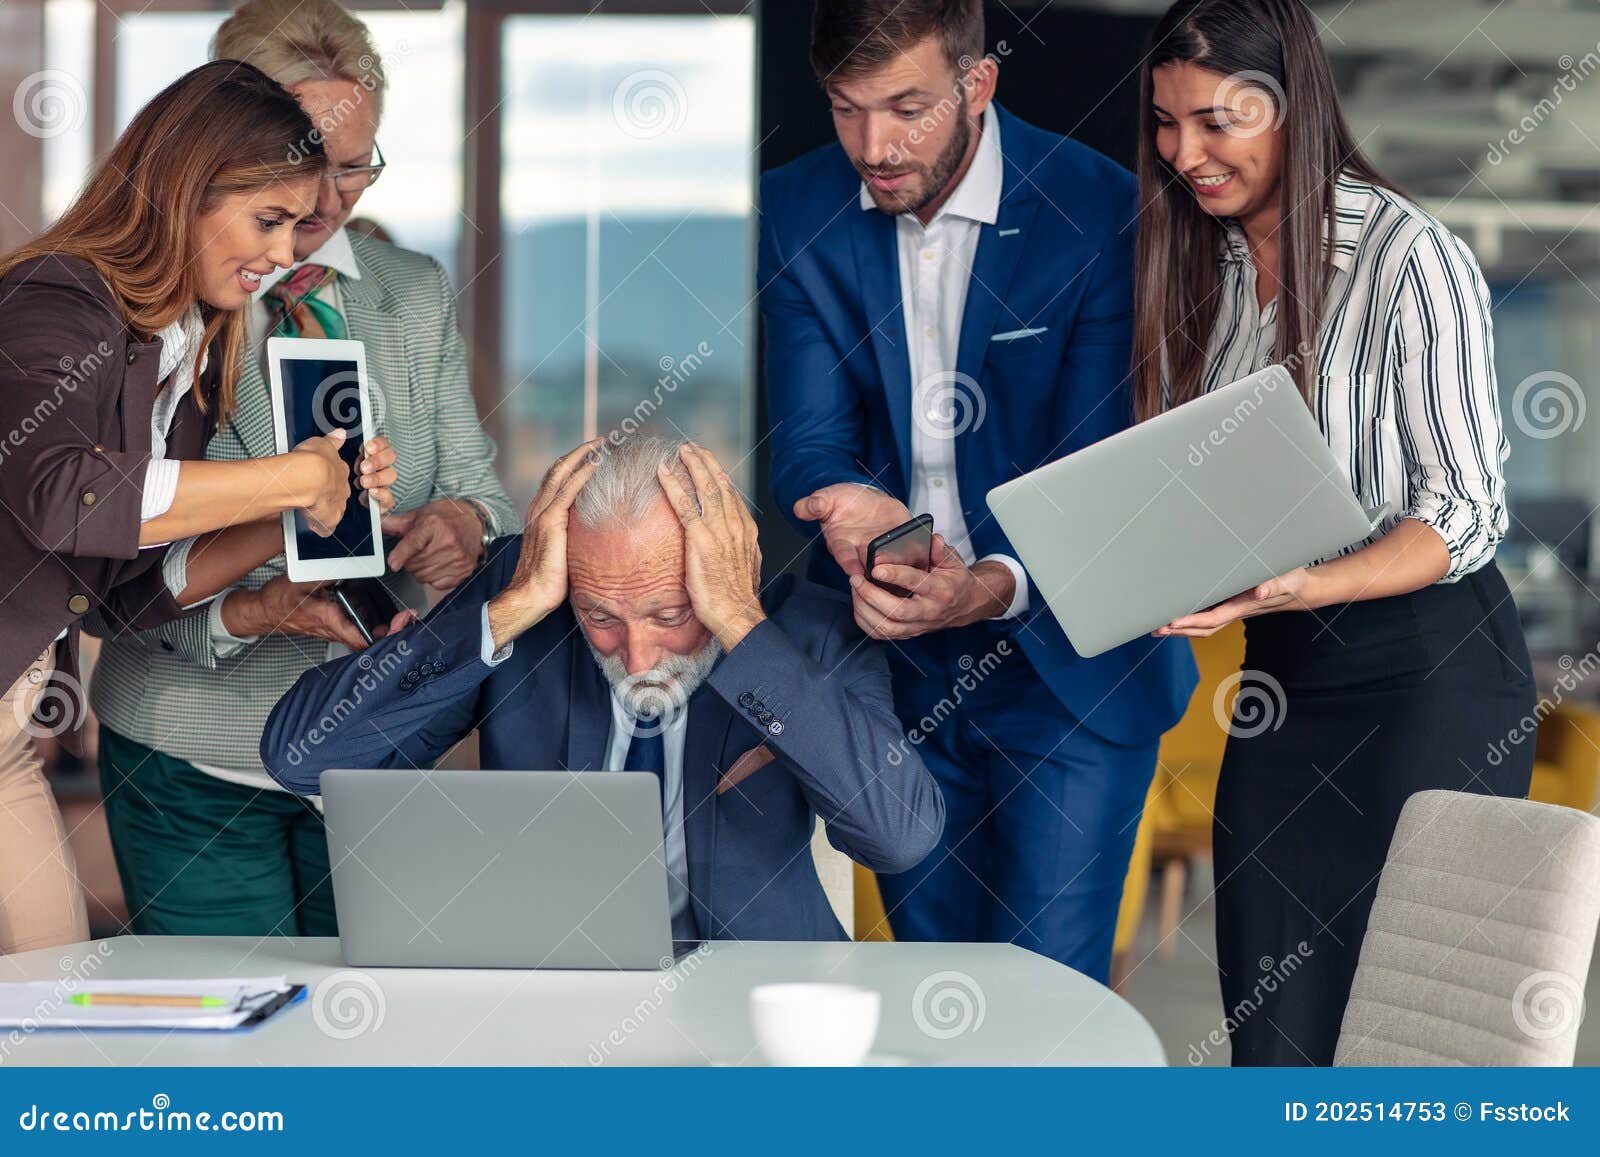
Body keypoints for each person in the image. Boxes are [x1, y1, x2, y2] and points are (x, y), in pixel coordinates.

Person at [759, 0, 1197, 980]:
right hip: (896, 664)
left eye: (907, 107)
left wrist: (988, 583)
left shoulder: (1101, 214)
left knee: (1042, 1001)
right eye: (845, 107)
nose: (873, 144)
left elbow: (1103, 471)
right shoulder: (798, 207)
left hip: (1067, 662)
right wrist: (852, 508)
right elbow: (809, 438)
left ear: (977, 83)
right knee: (931, 992)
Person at [1136, 0, 1535, 1065]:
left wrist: (1310, 583)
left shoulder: (1409, 257)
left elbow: (1466, 511)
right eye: (1166, 123)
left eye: (1215, 122)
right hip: (1284, 678)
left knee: (1412, 1028)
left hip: (1428, 673)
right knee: (1274, 1023)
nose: (1184, 153)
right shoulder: (1206, 272)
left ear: (1291, 104)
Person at [88, 0, 516, 939]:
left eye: (356, 163)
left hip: (372, 748)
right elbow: (115, 548)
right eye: (305, 160)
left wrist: (464, 524)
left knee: (372, 1041)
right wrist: (256, 606)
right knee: (227, 1049)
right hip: (190, 748)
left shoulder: (411, 292)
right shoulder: (158, 303)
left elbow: (484, 490)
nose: (328, 200)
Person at [0, 60, 398, 954]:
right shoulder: (56, 299)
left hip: (8, 737)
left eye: (299, 227)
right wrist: (291, 478)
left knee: (50, 1004)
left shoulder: (181, 360)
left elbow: (122, 595)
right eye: (269, 220)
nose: (287, 253)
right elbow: (66, 496)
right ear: (186, 190)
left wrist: (297, 514)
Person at [261, 438, 946, 941]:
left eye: (671, 615)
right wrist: (509, 606)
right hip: (548, 996)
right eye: (600, 617)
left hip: (757, 1006)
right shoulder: (527, 601)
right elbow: (303, 756)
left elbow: (901, 835)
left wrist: (739, 622)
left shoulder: (811, 630)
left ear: (734, 566)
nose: (639, 654)